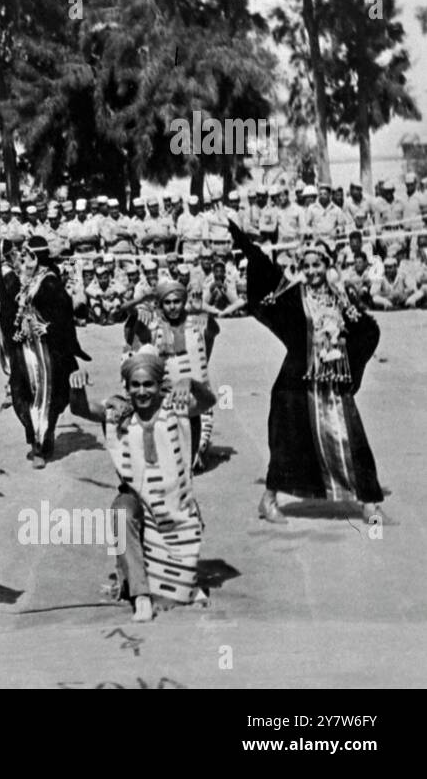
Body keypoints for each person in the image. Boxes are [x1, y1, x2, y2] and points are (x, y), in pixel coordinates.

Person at [229, 223, 385, 524]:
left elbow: (366, 330)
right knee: (288, 443)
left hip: (333, 384)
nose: (312, 271)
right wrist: (242, 239)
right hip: (296, 383)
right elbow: (265, 272)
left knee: (353, 438)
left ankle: (369, 503)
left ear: (327, 266)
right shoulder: (292, 295)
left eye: (317, 265)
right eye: (307, 266)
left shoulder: (340, 297)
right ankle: (268, 500)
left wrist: (349, 364)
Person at [68, 350, 216, 622]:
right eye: (135, 385)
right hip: (136, 496)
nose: (142, 391)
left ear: (160, 385)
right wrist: (76, 386)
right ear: (127, 387)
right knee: (121, 512)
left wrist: (191, 383)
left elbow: (209, 401)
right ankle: (141, 595)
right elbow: (81, 409)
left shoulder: (175, 407)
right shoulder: (119, 413)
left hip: (173, 498)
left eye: (148, 384)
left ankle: (180, 582)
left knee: (180, 576)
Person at [0, 235, 89, 467]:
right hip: (26, 348)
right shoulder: (30, 278)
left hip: (47, 351)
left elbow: (64, 315)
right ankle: (36, 437)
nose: (22, 258)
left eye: (26, 255)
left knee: (46, 397)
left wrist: (47, 328)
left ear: (36, 257)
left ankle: (40, 445)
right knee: (21, 393)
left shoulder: (50, 282)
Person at [127, 280, 218, 472]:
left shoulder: (196, 323)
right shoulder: (155, 328)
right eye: (167, 303)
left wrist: (204, 311)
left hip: (199, 401)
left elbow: (213, 331)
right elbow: (130, 320)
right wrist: (139, 302)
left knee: (192, 461)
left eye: (176, 301)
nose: (172, 307)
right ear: (161, 304)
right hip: (168, 400)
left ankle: (199, 449)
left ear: (183, 302)